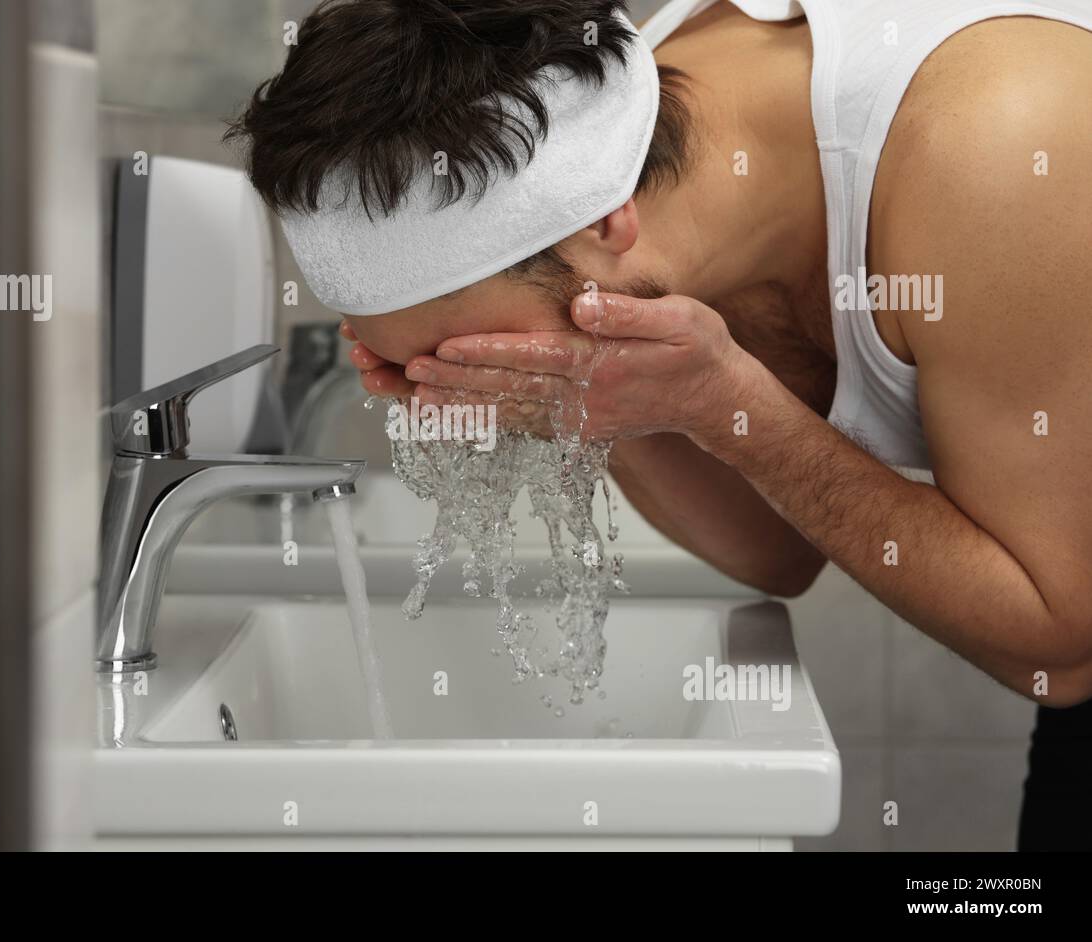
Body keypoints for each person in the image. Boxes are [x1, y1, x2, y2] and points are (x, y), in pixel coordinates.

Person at [226, 0, 1092, 849]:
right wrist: (612, 404)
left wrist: (732, 409)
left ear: (607, 220)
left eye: (473, 352)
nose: (465, 392)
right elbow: (777, 554)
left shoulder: (995, 148)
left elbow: (1058, 647)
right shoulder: (614, 143)